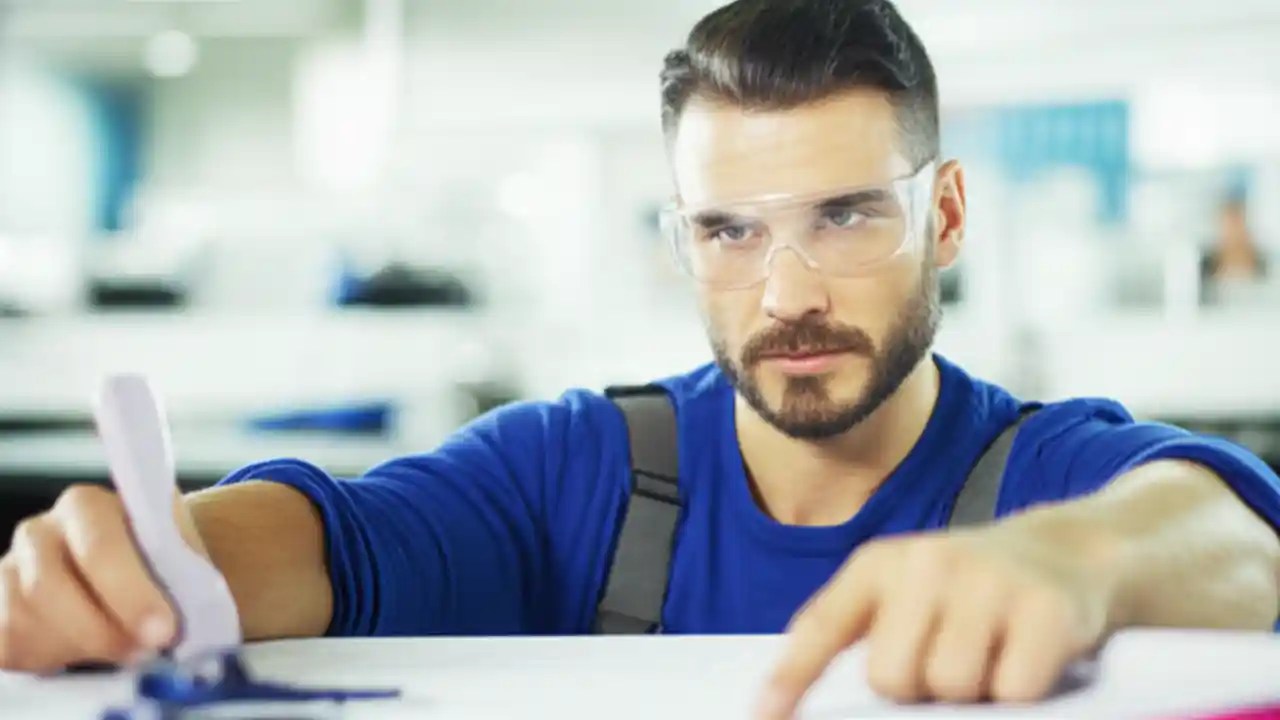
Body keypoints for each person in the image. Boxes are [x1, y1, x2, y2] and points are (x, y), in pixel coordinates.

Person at [2, 1, 1279, 718]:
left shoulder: (1042, 474)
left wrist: (1081, 556)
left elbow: (1230, 535)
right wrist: (158, 567)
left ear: (942, 214)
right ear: (681, 243)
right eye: (729, 230)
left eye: (844, 213)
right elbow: (344, 540)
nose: (787, 293)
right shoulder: (581, 471)